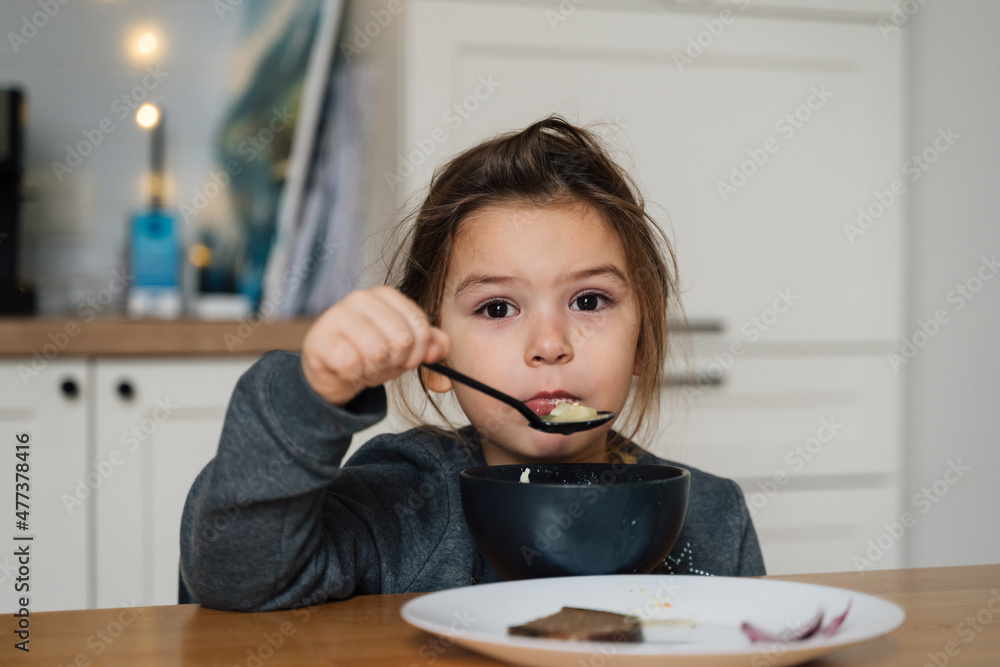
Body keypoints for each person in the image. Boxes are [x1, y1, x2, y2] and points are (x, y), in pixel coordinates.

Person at [180, 115, 765, 611]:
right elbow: (238, 572)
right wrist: (310, 395)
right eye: (497, 307)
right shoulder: (401, 506)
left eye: (589, 301)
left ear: (642, 339)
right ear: (434, 355)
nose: (549, 343)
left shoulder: (714, 517)